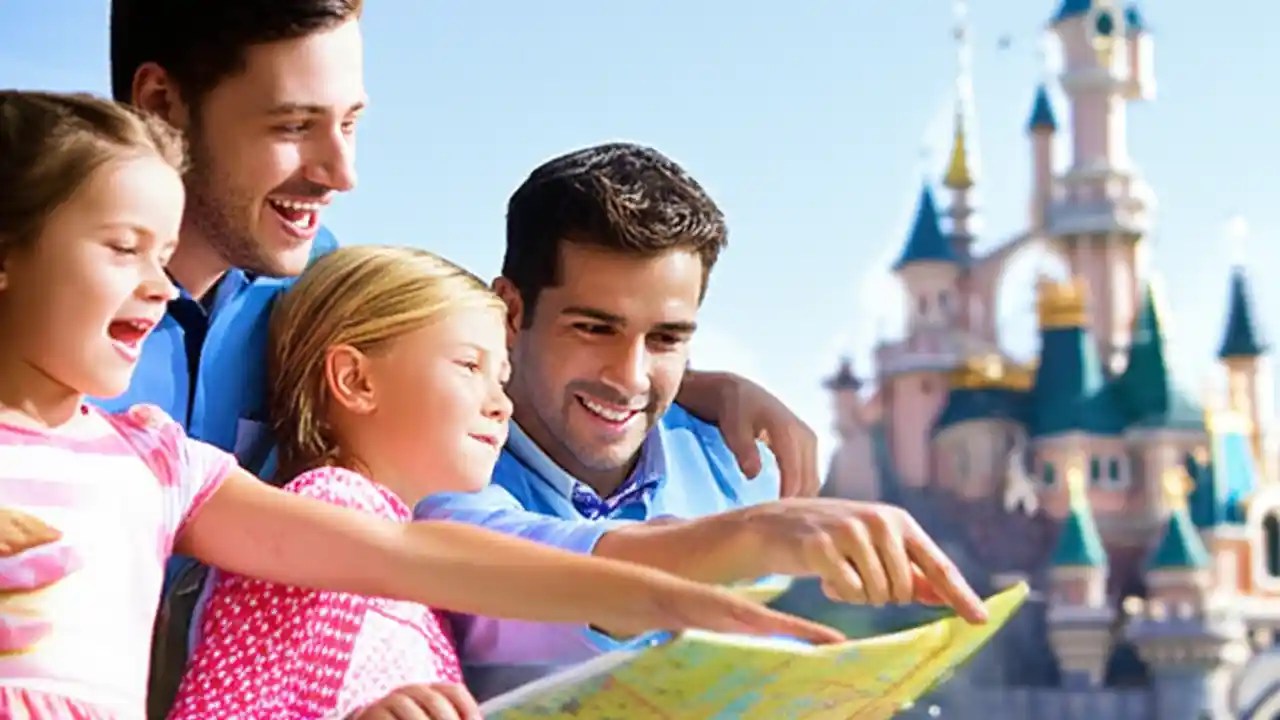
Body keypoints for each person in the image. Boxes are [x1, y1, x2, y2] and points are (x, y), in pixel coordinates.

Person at [0, 90, 844, 720]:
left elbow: (409, 552)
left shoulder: (160, 463)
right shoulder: (315, 494)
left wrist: (657, 593)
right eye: (122, 248)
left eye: (161, 252)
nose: (160, 285)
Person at [417, 142, 988, 700]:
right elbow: (485, 564)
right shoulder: (434, 460)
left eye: (665, 339)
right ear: (513, 313)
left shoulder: (741, 473)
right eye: (593, 329)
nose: (630, 377)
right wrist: (744, 540)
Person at [170, 247, 543, 718]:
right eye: (470, 366)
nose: (501, 404)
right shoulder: (326, 511)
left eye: (503, 380)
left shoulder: (402, 556)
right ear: (356, 380)